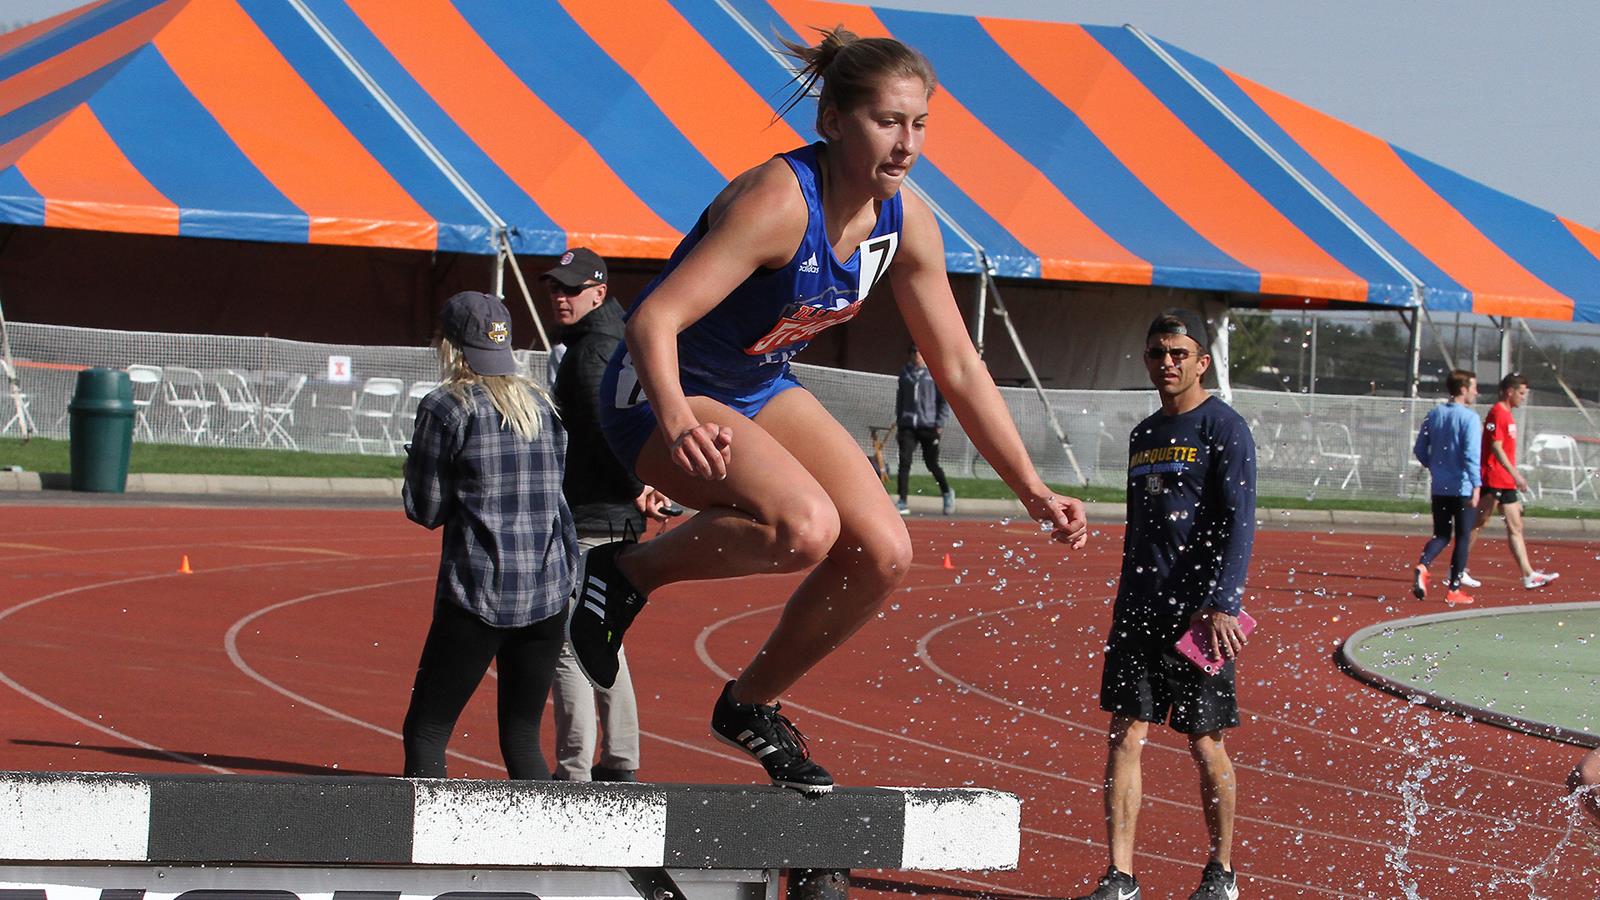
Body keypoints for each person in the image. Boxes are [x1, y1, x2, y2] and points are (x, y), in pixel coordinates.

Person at [566, 27, 1089, 795]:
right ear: (832, 122)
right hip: (655, 389)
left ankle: (750, 703)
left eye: (920, 124)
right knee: (804, 526)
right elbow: (652, 322)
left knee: (885, 551)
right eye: (887, 122)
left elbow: (957, 366)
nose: (907, 144)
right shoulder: (778, 202)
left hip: (755, 384)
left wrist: (1031, 487)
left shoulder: (905, 223)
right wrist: (677, 420)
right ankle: (623, 572)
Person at [1074, 311, 1256, 900]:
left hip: (1201, 618)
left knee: (1205, 741)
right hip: (1139, 610)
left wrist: (1224, 602)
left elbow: (1239, 521)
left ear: (1203, 361)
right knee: (1125, 735)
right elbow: (1139, 530)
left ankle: (1221, 871)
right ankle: (1121, 875)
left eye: (1179, 353)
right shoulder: (1144, 434)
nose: (1167, 363)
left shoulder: (1224, 428)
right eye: (1157, 353)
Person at [400, 291, 577, 779]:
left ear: (450, 347)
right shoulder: (544, 406)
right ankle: (543, 850)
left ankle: (427, 845)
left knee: (428, 728)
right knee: (522, 735)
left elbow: (425, 509)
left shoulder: (447, 406)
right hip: (547, 588)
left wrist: (414, 460)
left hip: (478, 589)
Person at [542, 247, 675, 783]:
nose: (560, 296)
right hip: (612, 513)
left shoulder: (591, 351)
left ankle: (574, 771)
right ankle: (620, 758)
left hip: (595, 515)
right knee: (601, 636)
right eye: (555, 287)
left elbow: (603, 432)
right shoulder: (620, 341)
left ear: (598, 292)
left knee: (569, 645)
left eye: (571, 289)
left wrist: (638, 485)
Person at [1468, 373, 1558, 590]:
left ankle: (1528, 574)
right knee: (1478, 523)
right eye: (1521, 393)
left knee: (1516, 526)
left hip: (1505, 480)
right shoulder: (1498, 412)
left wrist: (1512, 476)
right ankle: (1458, 566)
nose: (1523, 397)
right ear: (1510, 391)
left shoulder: (1508, 414)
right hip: (1494, 477)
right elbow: (1496, 447)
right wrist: (1516, 474)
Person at [1409, 369, 1481, 606]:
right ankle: (1454, 588)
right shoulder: (1469, 418)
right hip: (1462, 487)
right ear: (1463, 389)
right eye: (1473, 387)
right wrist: (1477, 484)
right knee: (1462, 537)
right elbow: (1471, 454)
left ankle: (1423, 564)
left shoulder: (1434, 414)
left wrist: (1435, 467)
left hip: (1439, 486)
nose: (1476, 392)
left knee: (1441, 534)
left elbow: (1420, 449)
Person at [894, 343, 954, 515]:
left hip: (928, 426)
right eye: (912, 352)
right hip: (908, 426)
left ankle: (946, 492)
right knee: (904, 463)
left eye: (918, 352)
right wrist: (900, 421)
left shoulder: (934, 374)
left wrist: (939, 424)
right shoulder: (905, 373)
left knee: (931, 463)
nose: (915, 355)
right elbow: (901, 398)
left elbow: (943, 401)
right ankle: (902, 501)